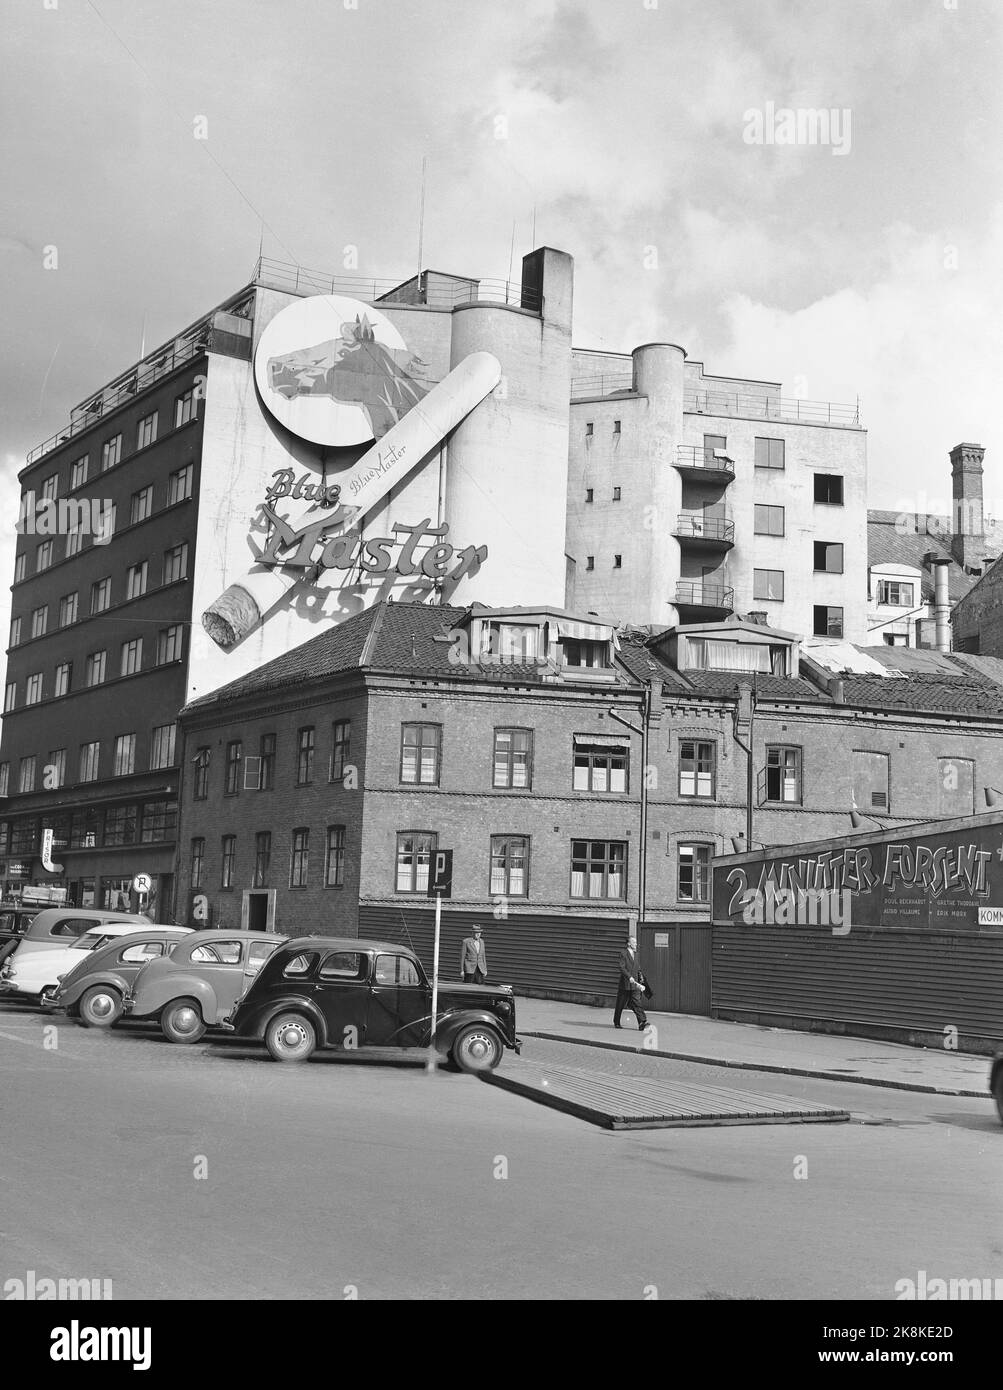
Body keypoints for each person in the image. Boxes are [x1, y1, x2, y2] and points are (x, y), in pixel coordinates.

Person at [613, 936, 649, 1030]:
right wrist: (629, 977)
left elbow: (638, 967)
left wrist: (640, 976)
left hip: (635, 984)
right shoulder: (623, 953)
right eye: (634, 942)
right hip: (625, 983)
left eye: (636, 942)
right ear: (629, 943)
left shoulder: (636, 954)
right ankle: (616, 1022)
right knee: (620, 1004)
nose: (636, 944)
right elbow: (622, 967)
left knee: (637, 1002)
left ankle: (642, 1022)